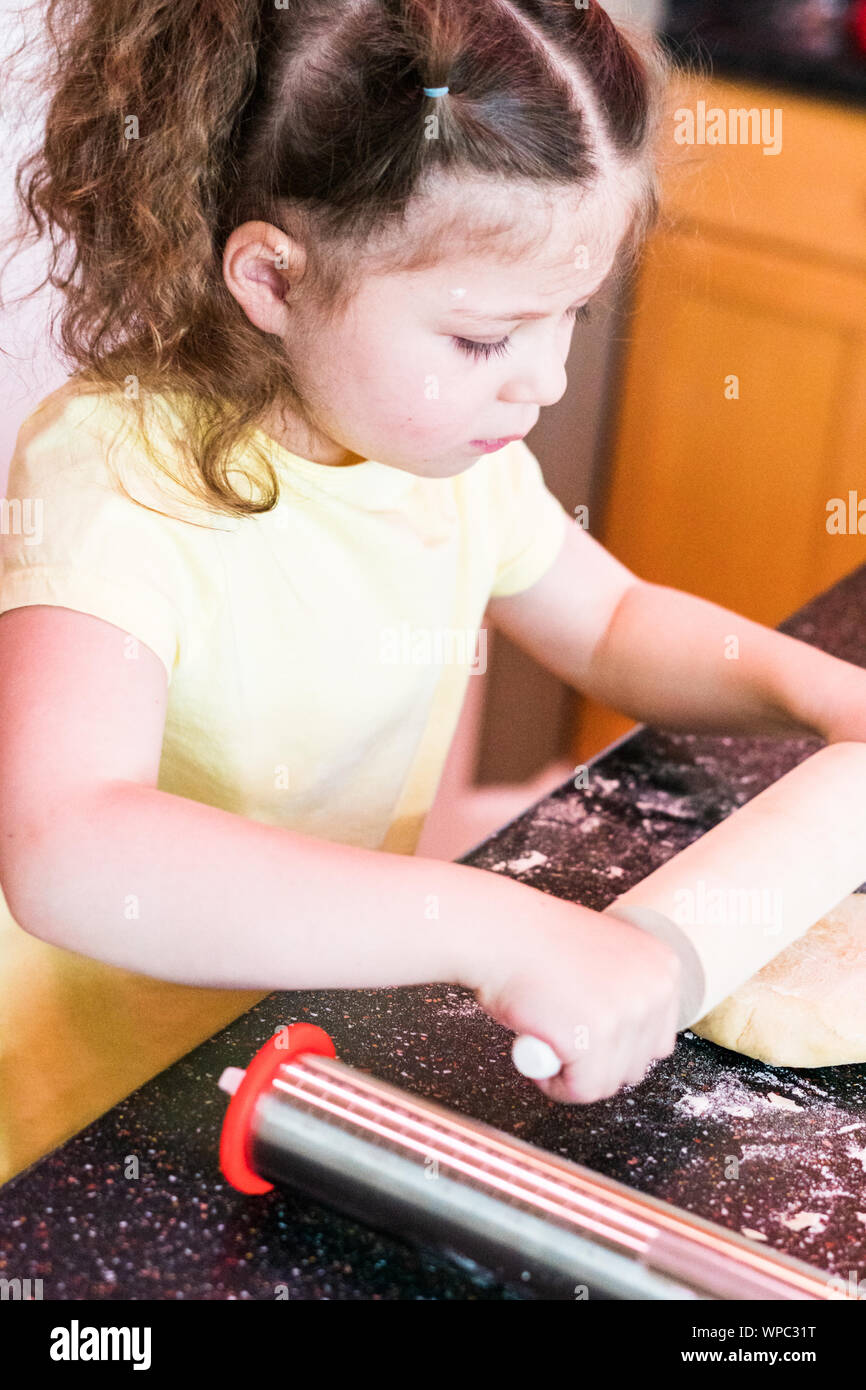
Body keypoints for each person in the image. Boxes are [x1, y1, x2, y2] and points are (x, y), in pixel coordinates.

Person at [1, 0, 863, 1184]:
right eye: (480, 338)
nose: (543, 383)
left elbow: (608, 622)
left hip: (300, 1053)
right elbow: (68, 846)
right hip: (86, 1119)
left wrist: (825, 693)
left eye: (568, 316)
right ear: (271, 277)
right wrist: (489, 924)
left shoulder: (440, 458)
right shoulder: (115, 477)